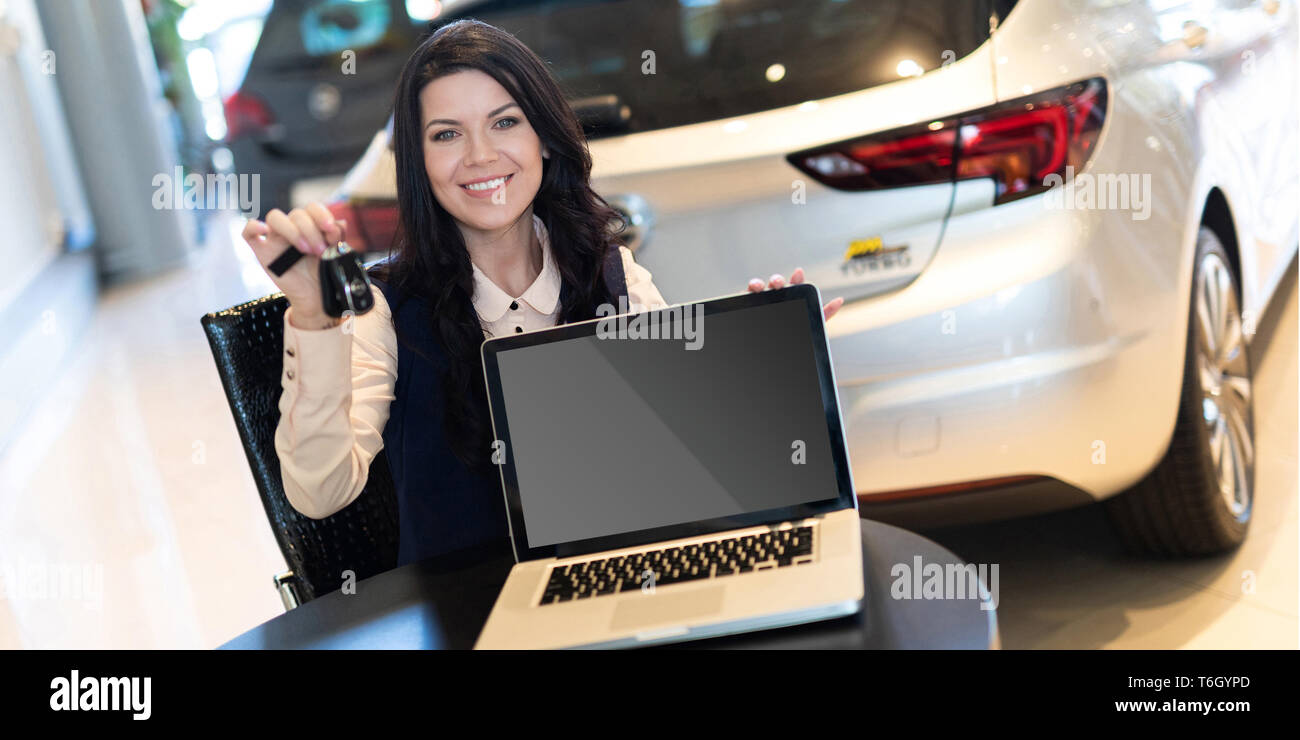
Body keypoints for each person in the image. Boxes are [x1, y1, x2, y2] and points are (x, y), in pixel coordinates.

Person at [240, 19, 844, 567]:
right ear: (418, 162)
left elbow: (686, 457)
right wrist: (315, 319)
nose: (481, 156)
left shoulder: (616, 275)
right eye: (447, 134)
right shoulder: (385, 310)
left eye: (505, 122)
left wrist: (777, 366)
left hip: (623, 581)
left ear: (545, 139)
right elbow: (319, 494)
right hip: (470, 620)